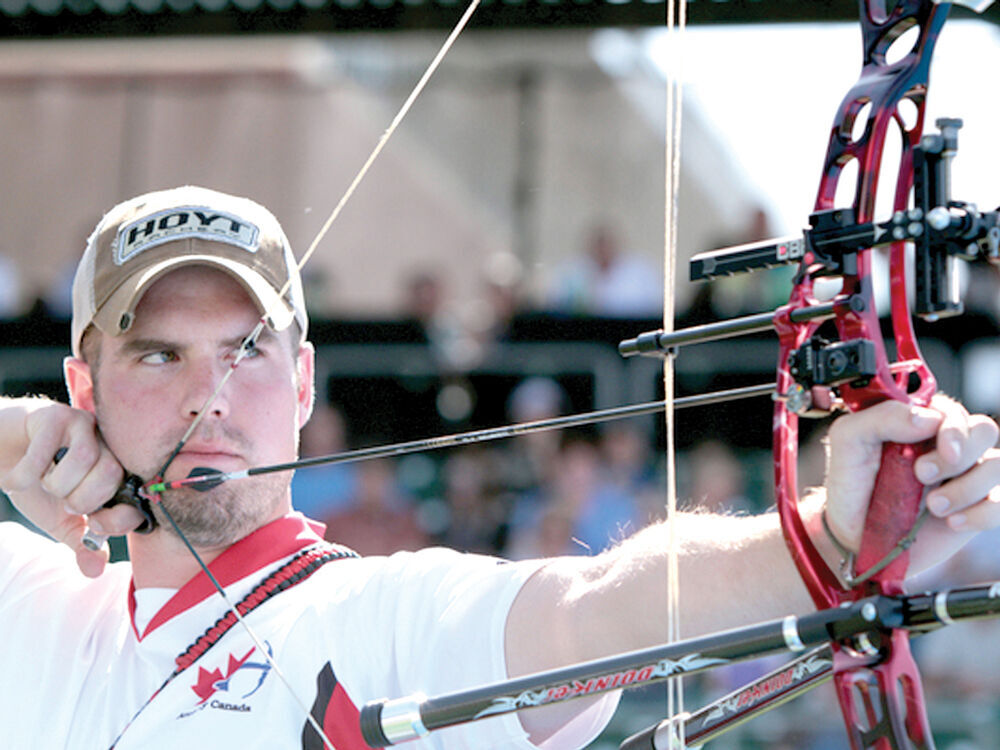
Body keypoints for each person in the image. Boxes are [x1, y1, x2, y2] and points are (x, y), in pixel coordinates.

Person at [0, 186, 997, 750]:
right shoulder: (34, 602)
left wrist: (822, 537)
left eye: (246, 349)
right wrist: (12, 440)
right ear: (84, 389)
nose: (207, 396)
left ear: (302, 381)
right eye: (159, 355)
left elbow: (599, 604)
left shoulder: (386, 618)